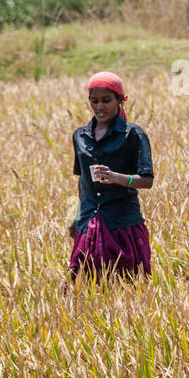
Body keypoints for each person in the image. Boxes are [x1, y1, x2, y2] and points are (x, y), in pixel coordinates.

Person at [68, 71, 153, 281]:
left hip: (121, 223)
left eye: (106, 101)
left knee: (128, 282)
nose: (99, 107)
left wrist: (117, 177)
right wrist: (77, 217)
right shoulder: (80, 136)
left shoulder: (133, 134)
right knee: (77, 280)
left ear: (120, 101)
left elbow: (147, 180)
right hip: (89, 222)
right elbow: (83, 183)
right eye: (94, 101)